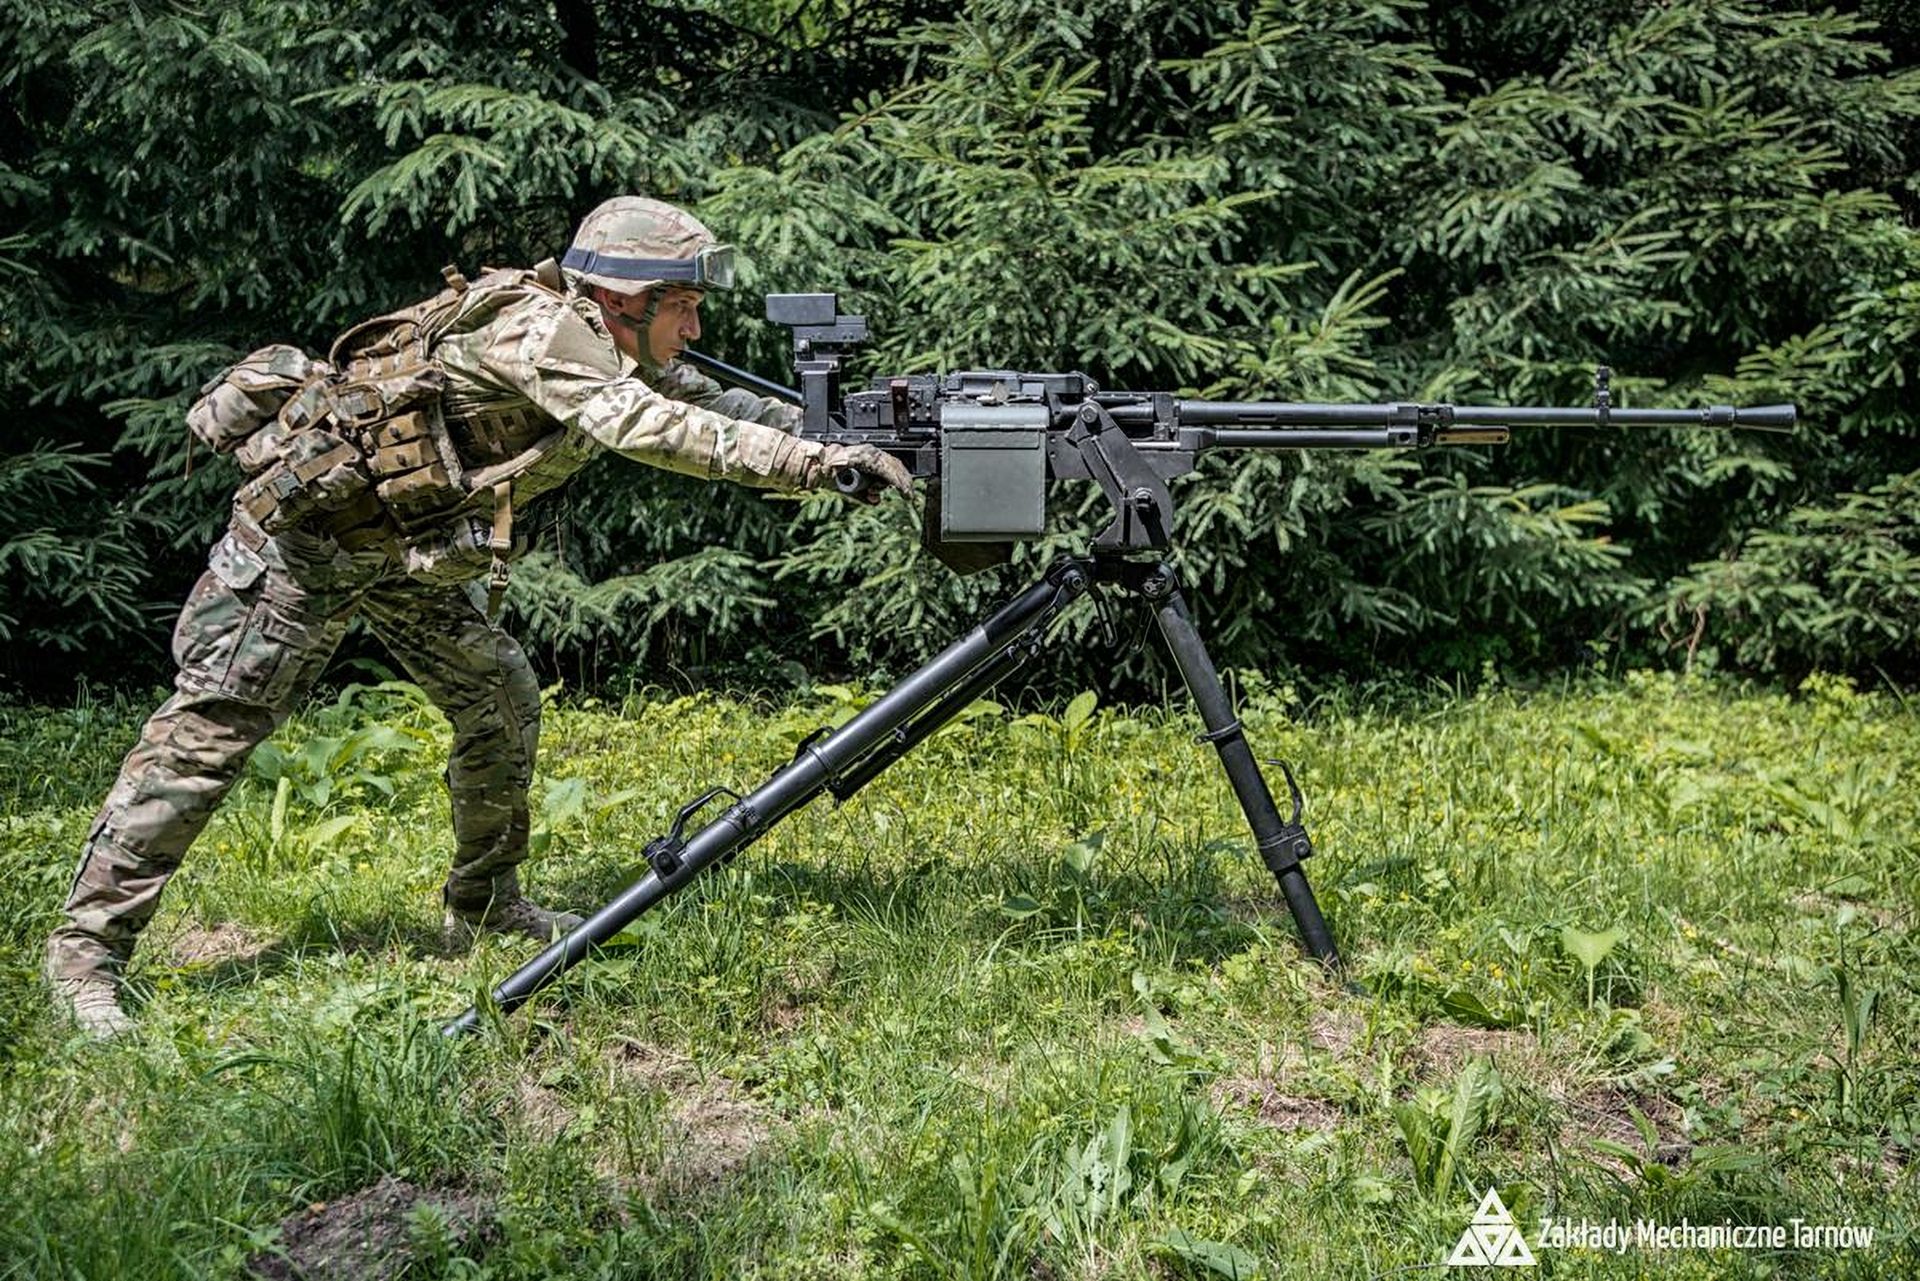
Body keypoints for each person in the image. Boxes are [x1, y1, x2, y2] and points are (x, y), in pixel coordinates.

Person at [44, 196, 913, 1038]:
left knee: (498, 697)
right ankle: (85, 954)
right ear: (619, 298)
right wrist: (810, 463)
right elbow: (647, 428)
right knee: (210, 736)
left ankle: (485, 904)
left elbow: (713, 405)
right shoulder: (536, 331)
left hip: (403, 556)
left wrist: (841, 440)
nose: (692, 329)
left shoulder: (611, 340)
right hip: (304, 551)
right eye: (680, 306)